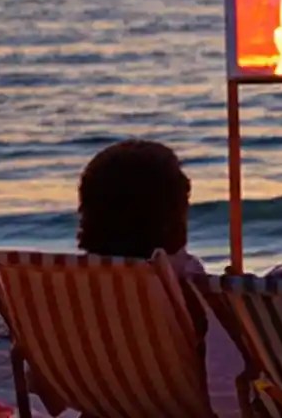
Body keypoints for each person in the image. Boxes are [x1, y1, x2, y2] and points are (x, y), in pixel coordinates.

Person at [76, 140, 243, 417]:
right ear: (173, 217)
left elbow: (49, 392)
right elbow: (227, 396)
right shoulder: (192, 293)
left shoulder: (67, 290)